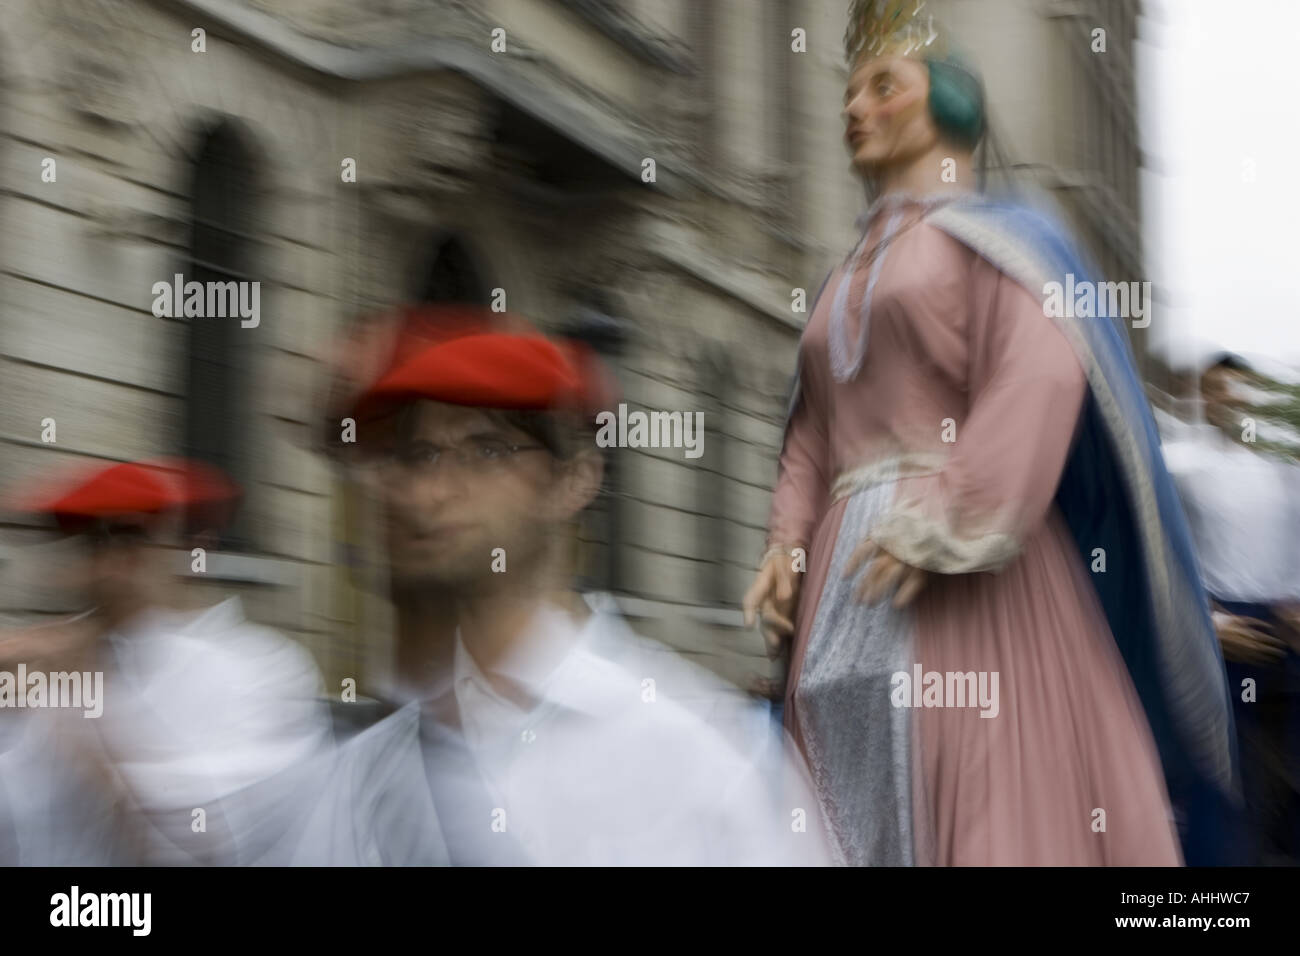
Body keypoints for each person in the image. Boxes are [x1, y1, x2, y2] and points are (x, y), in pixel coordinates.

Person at [743, 0, 1236, 865]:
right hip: (843, 586)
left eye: (882, 86)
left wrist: (952, 513)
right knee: (847, 803)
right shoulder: (840, 279)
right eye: (849, 92)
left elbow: (1037, 378)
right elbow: (812, 434)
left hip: (973, 580)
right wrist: (786, 546)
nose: (853, 108)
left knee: (982, 786)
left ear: (951, 105)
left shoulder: (1009, 242)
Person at [285, 317, 829, 866]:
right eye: (421, 454)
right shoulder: (364, 772)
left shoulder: (701, 752)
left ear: (575, 480)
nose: (435, 489)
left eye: (487, 449)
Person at [7, 458, 331, 864]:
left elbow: (209, 832)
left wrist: (86, 720)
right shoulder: (60, 663)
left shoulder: (261, 669)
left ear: (193, 547)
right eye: (91, 542)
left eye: (128, 537)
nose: (106, 566)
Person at [1163, 351, 1300, 863]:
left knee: (1288, 769)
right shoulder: (1182, 469)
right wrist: (1209, 618)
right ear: (1203, 399)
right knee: (1220, 769)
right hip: (1223, 630)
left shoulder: (1283, 471)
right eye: (1218, 389)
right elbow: (1169, 556)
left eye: (1240, 388)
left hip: (1284, 629)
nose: (1231, 398)